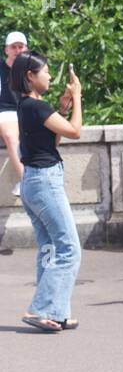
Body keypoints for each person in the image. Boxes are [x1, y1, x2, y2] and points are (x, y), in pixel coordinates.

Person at [13, 51, 82, 332]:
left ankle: (55, 312)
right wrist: (77, 97)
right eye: (46, 71)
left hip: (34, 181)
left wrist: (63, 108)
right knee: (69, 249)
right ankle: (40, 309)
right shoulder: (36, 107)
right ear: (31, 76)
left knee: (50, 249)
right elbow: (75, 132)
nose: (50, 76)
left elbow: (52, 141)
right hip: (44, 182)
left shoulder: (27, 106)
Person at [1, 32, 29, 198]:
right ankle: (26, 182)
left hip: (25, 110)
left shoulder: (31, 69)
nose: (17, 50)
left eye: (21, 47)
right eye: (14, 47)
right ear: (6, 50)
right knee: (12, 136)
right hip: (4, 112)